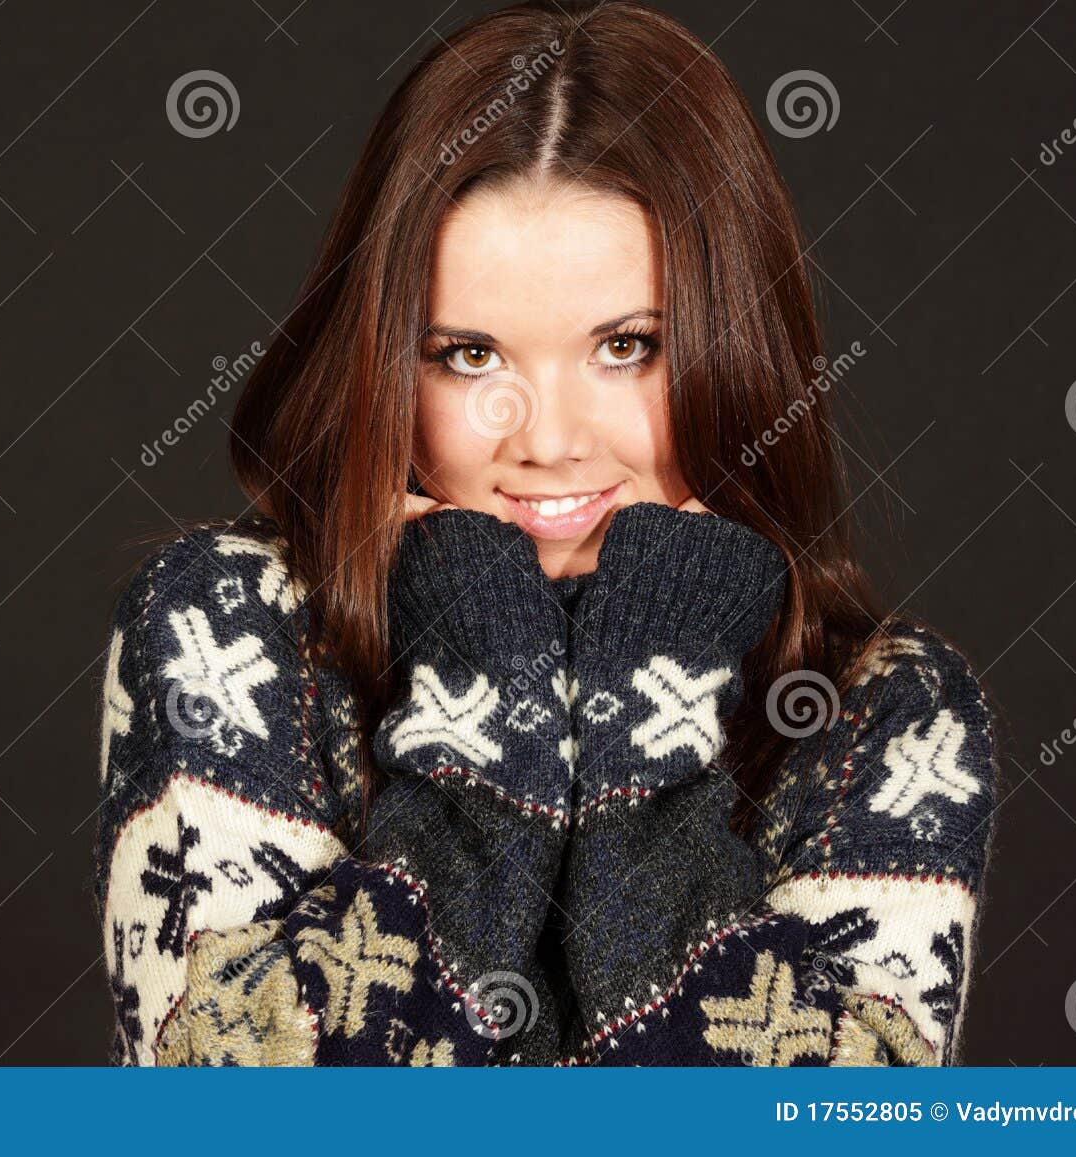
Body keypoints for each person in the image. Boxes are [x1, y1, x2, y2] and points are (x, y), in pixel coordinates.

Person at [91, 0, 1001, 1066]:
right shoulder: (232, 629)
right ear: (390, 362)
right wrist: (487, 669)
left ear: (732, 347)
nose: (552, 440)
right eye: (468, 356)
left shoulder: (886, 713)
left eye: (626, 346)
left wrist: (643, 706)